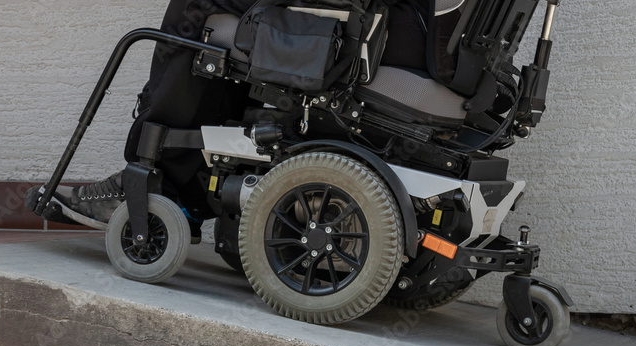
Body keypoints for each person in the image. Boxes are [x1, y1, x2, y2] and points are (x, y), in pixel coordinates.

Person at [36, 0, 429, 240]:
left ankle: (154, 178)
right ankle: (185, 191)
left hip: (388, 23)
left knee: (199, 7)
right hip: (428, 37)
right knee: (254, 23)